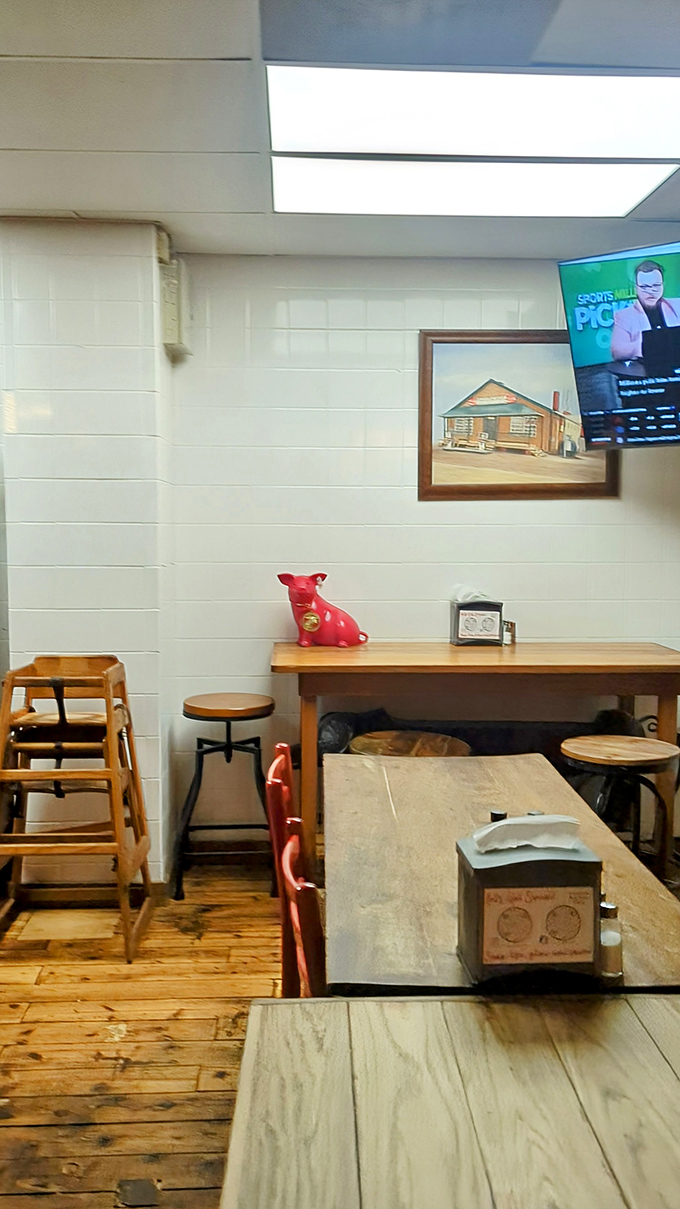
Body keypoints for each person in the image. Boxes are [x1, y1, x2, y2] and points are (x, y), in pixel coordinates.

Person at [610, 260, 680, 361]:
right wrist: (647, 345)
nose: (650, 291)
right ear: (636, 288)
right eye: (644, 287)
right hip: (646, 366)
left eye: (656, 285)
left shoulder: (677, 305)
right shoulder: (624, 316)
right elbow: (617, 351)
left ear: (663, 285)